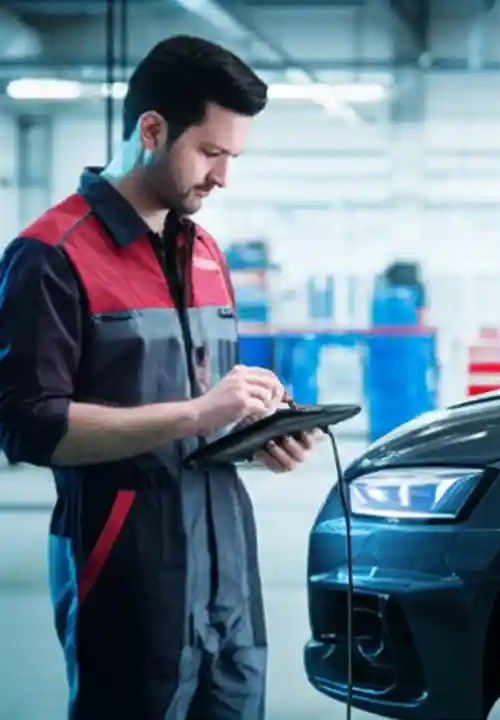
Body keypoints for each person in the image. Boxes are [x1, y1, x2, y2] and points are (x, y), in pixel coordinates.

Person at [0, 35, 313, 719]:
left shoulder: (203, 250)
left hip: (226, 562)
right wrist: (201, 413)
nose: (223, 176)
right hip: (123, 562)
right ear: (152, 129)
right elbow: (30, 427)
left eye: (233, 158)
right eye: (210, 153)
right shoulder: (51, 255)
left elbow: (203, 401)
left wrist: (256, 428)